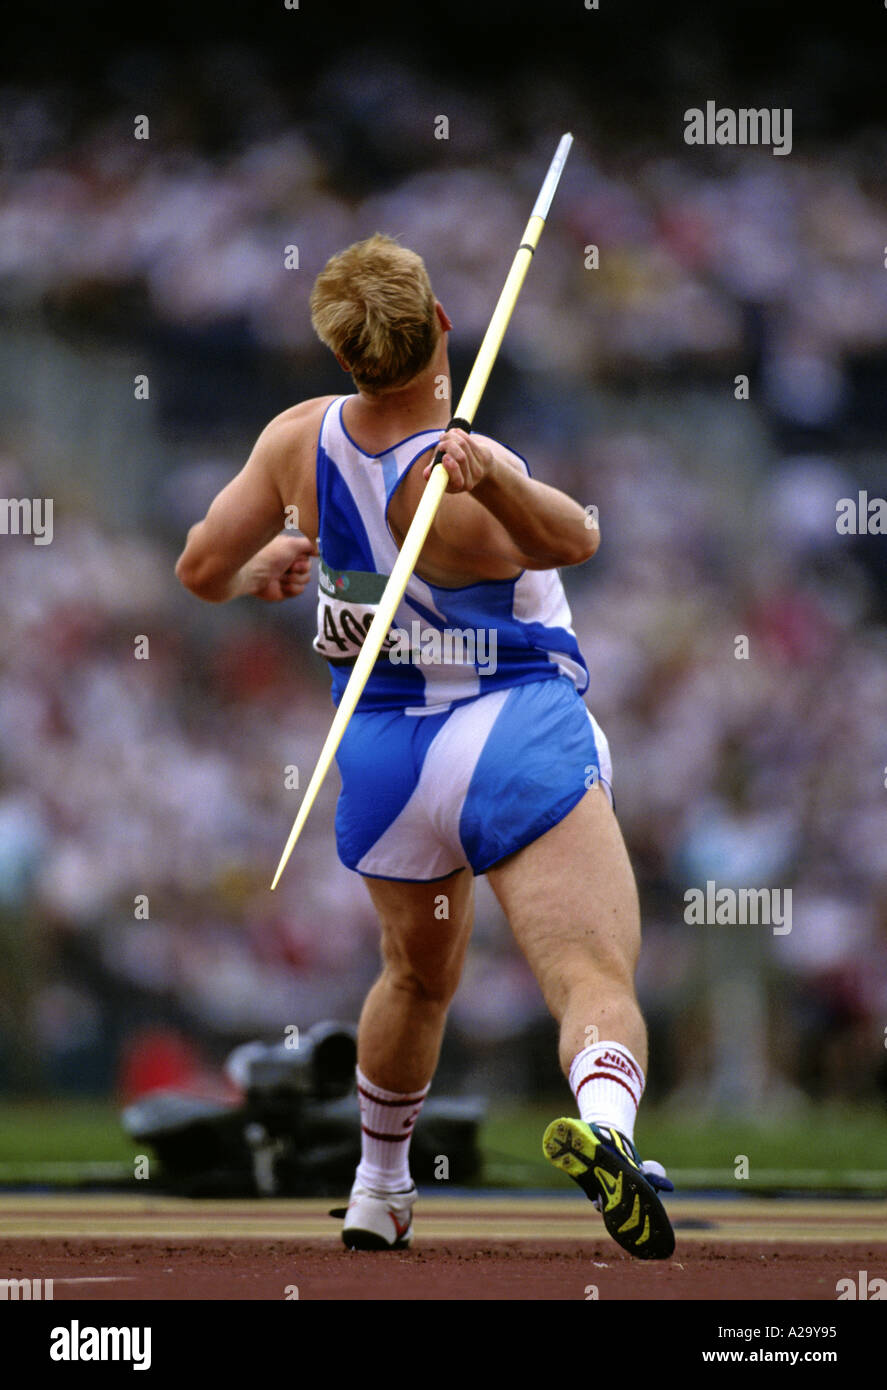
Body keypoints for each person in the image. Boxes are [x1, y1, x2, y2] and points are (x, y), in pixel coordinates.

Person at [176, 233, 675, 1259]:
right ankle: (609, 1135)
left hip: (386, 757)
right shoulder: (448, 489)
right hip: (507, 730)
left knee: (412, 979)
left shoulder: (293, 441)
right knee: (588, 974)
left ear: (340, 350)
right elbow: (574, 537)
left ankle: (377, 1187)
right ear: (442, 324)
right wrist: (493, 476)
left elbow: (196, 567)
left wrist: (260, 566)